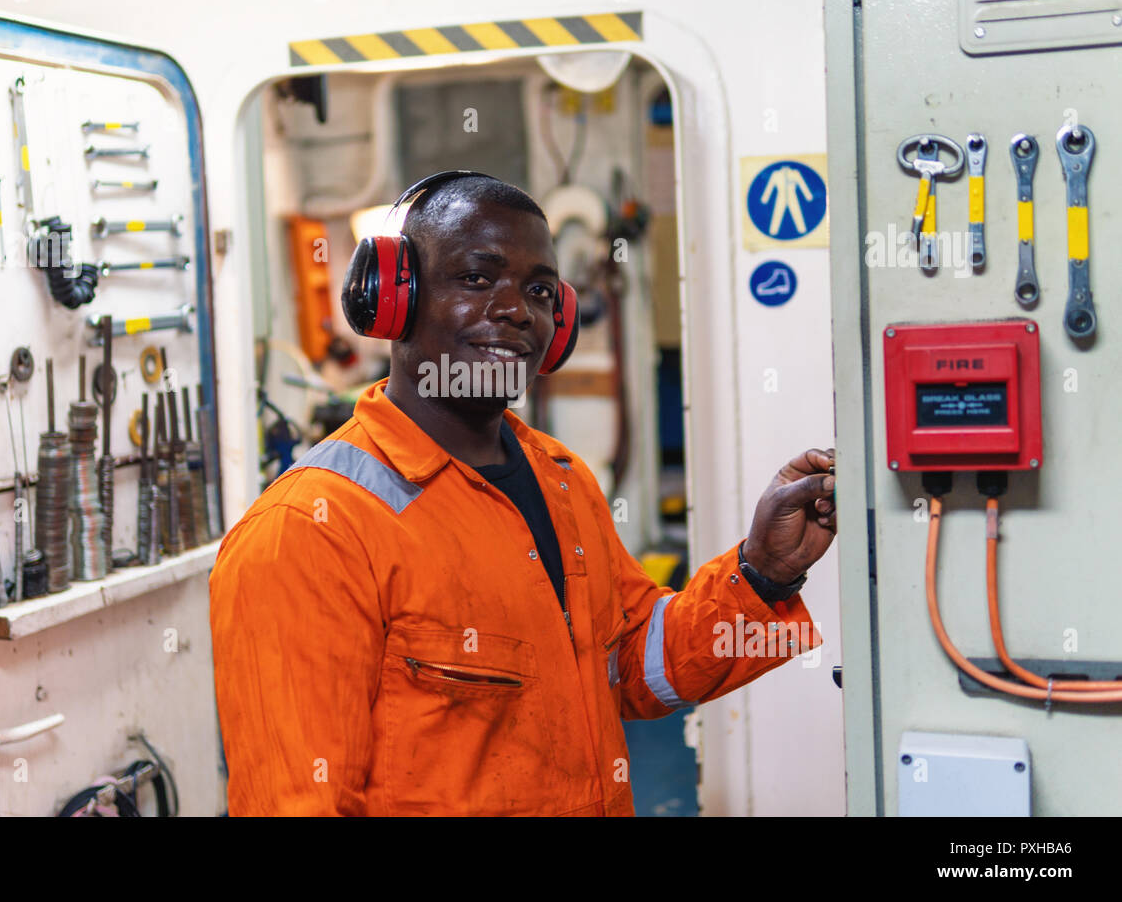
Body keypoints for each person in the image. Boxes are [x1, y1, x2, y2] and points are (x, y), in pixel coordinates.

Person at [210, 172, 836, 816]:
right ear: (395, 297)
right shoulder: (311, 529)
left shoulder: (562, 478)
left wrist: (762, 574)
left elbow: (628, 664)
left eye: (538, 291)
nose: (515, 309)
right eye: (476, 279)